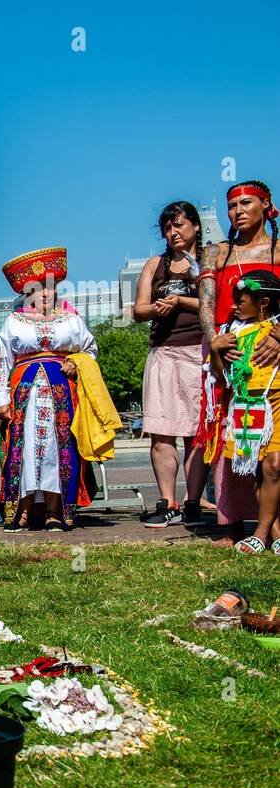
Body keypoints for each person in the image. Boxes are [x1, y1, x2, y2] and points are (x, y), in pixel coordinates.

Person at [0, 247, 97, 531]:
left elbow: (90, 349)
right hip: (25, 395)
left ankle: (55, 511)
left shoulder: (71, 320)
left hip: (62, 393)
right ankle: (21, 511)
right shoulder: (14, 322)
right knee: (22, 449)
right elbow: (1, 360)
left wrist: (78, 363)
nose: (45, 294)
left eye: (50, 287)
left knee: (57, 448)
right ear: (28, 294)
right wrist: (0, 398)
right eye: (38, 289)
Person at [197, 180, 280, 541]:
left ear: (267, 205)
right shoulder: (216, 252)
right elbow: (206, 303)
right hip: (226, 351)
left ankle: (272, 526)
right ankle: (230, 522)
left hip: (274, 348)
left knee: (273, 446)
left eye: (247, 203)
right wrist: (215, 340)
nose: (238, 211)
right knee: (230, 436)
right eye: (233, 206)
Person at [134, 201, 208, 528]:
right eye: (167, 227)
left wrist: (180, 301)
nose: (173, 232)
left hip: (199, 351)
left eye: (179, 225)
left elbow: (217, 303)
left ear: (195, 226)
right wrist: (157, 309)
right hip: (162, 351)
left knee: (196, 433)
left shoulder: (209, 259)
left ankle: (193, 503)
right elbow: (138, 310)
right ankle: (167, 502)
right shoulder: (155, 264)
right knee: (161, 433)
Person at [207, 271, 280, 554]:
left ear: (263, 302)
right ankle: (273, 533)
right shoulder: (231, 332)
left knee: (274, 464)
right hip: (246, 405)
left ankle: (260, 532)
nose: (234, 306)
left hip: (276, 400)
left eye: (240, 301)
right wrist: (215, 350)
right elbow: (219, 376)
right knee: (257, 470)